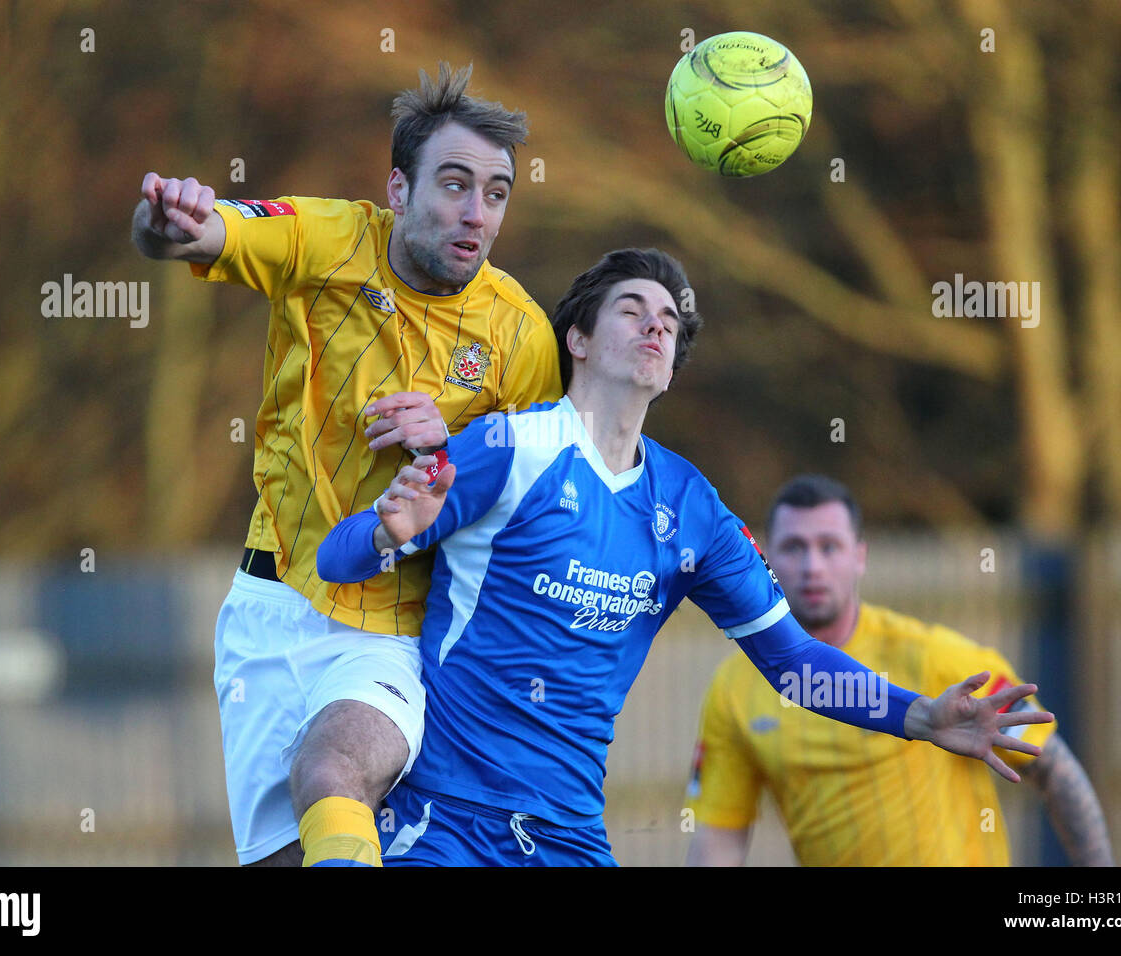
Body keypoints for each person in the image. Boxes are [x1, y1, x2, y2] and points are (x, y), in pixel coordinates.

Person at [314, 249, 1053, 866]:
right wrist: (385, 531)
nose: (655, 326)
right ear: (577, 339)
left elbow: (794, 664)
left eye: (669, 321)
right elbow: (333, 560)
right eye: (633, 309)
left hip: (569, 835)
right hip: (447, 822)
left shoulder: (691, 506)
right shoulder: (510, 449)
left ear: (671, 367)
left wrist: (920, 716)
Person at [130, 64, 562, 867]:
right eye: (456, 185)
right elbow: (193, 234)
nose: (477, 215)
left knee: (332, 770)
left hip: (391, 631)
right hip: (268, 603)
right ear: (397, 189)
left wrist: (451, 450)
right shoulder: (327, 240)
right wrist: (168, 216)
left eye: (496, 194)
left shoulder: (521, 336)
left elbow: (536, 513)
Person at [685, 474, 1115, 866]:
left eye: (829, 546)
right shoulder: (735, 690)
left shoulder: (939, 659)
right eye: (794, 547)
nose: (812, 566)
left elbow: (1057, 773)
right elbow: (719, 836)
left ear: (860, 557)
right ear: (766, 558)